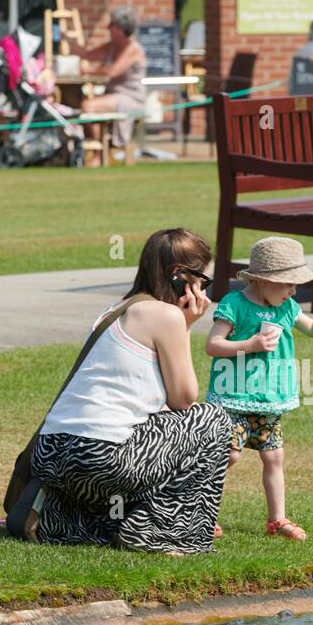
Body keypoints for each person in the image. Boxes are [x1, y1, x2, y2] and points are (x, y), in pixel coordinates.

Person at [28, 229, 232, 555]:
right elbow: (184, 399)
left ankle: (66, 526)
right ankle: (161, 534)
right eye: (203, 283)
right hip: (100, 459)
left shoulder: (117, 310)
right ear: (181, 277)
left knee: (158, 431)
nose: (205, 293)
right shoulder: (166, 316)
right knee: (214, 420)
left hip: (50, 454)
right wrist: (188, 324)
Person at [205, 237, 313, 541]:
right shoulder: (234, 305)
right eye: (288, 284)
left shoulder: (288, 306)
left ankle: (277, 520)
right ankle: (203, 516)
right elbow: (212, 345)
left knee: (274, 458)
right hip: (232, 400)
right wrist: (249, 344)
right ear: (263, 280)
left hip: (268, 403)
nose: (294, 290)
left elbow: (311, 328)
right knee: (226, 457)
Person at [76, 5, 147, 156]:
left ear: (122, 29)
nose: (107, 27)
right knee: (81, 103)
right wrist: (67, 40)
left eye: (112, 25)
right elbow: (87, 54)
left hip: (130, 98)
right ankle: (95, 151)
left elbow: (112, 72)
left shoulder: (133, 49)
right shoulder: (112, 46)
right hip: (112, 94)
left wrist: (89, 70)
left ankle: (98, 154)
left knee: (88, 106)